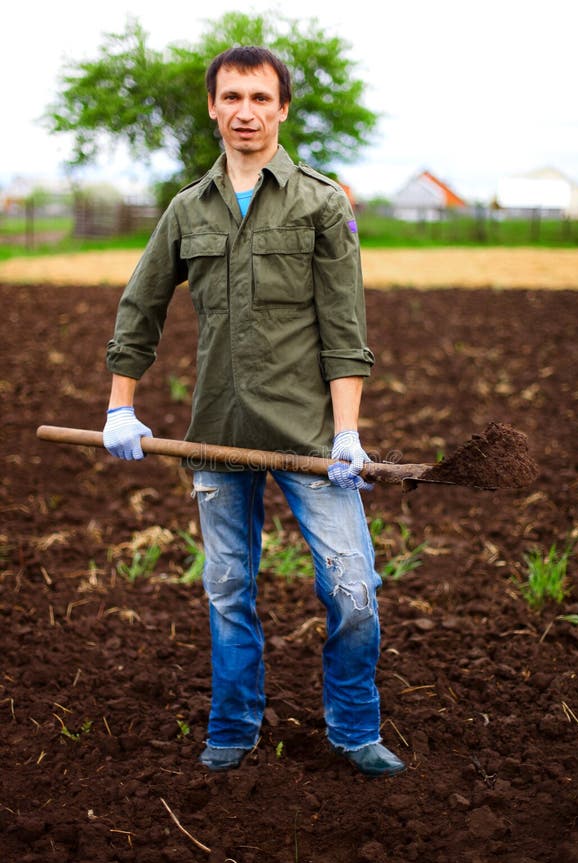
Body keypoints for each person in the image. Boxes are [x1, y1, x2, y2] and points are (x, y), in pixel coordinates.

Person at [102, 46, 406, 779]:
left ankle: (354, 728)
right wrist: (121, 407)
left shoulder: (322, 203)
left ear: (282, 110)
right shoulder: (187, 210)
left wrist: (347, 433)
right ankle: (234, 728)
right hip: (216, 440)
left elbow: (345, 329)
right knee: (228, 591)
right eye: (232, 97)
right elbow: (139, 308)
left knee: (354, 591)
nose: (246, 111)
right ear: (213, 106)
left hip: (308, 441)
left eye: (260, 98)